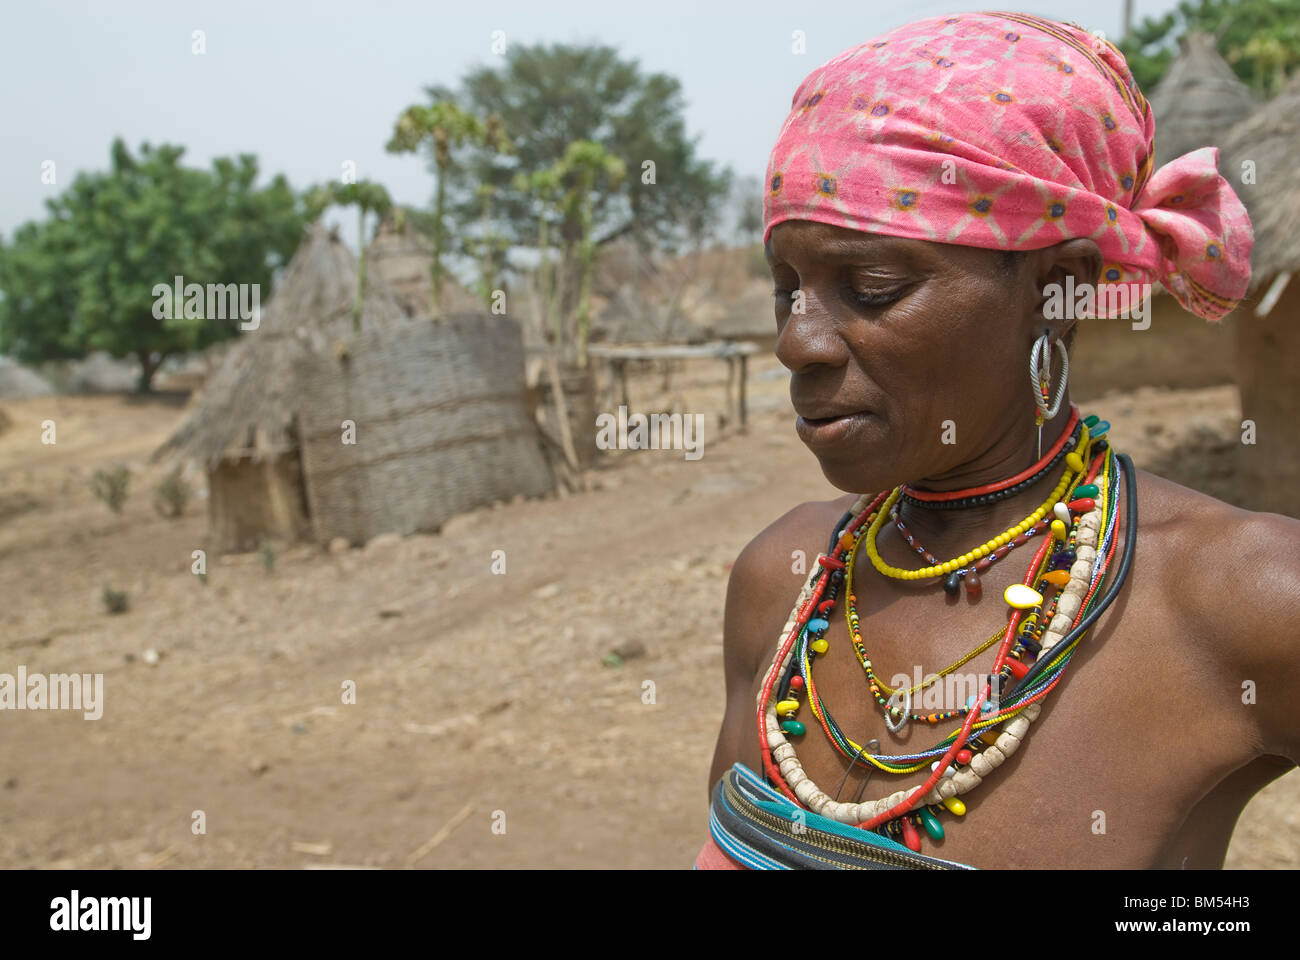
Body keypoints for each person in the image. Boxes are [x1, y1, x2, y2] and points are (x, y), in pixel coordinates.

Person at [700, 10, 1298, 869]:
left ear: (1055, 291)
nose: (799, 342)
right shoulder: (780, 582)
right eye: (785, 288)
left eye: (869, 286)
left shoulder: (1245, 599)